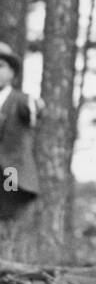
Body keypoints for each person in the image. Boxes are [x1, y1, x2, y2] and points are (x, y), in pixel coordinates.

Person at [0, 41, 42, 220]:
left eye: (0, 66)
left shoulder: (20, 100)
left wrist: (36, 106)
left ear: (12, 73)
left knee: (9, 210)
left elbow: (33, 108)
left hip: (11, 171)